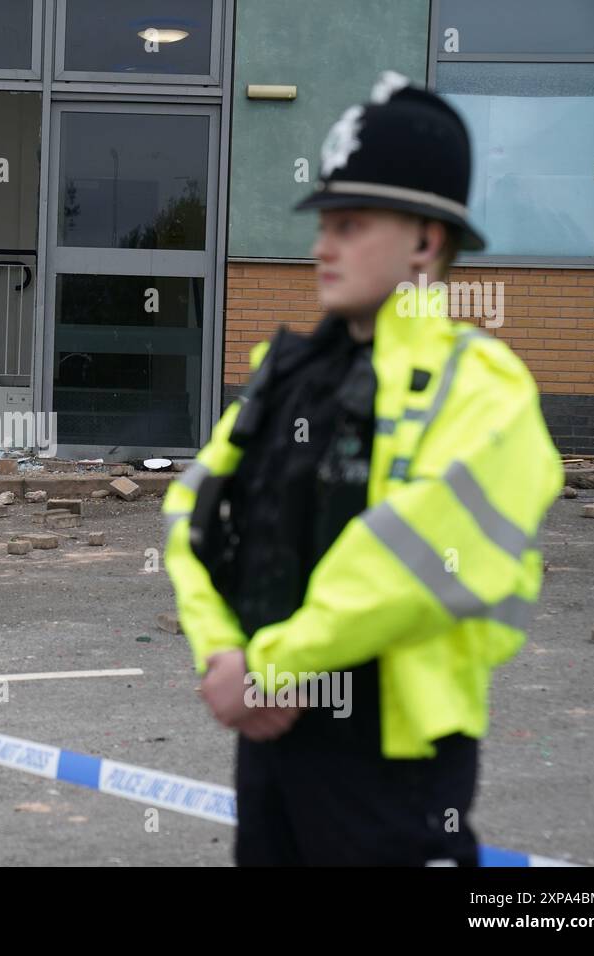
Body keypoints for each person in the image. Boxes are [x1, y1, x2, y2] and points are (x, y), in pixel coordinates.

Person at [162, 73, 562, 865]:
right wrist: (222, 656)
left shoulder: (484, 388)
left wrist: (268, 668)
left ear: (425, 240)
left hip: (392, 759)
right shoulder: (287, 370)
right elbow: (192, 516)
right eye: (323, 224)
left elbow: (406, 565)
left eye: (348, 225)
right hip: (270, 737)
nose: (321, 247)